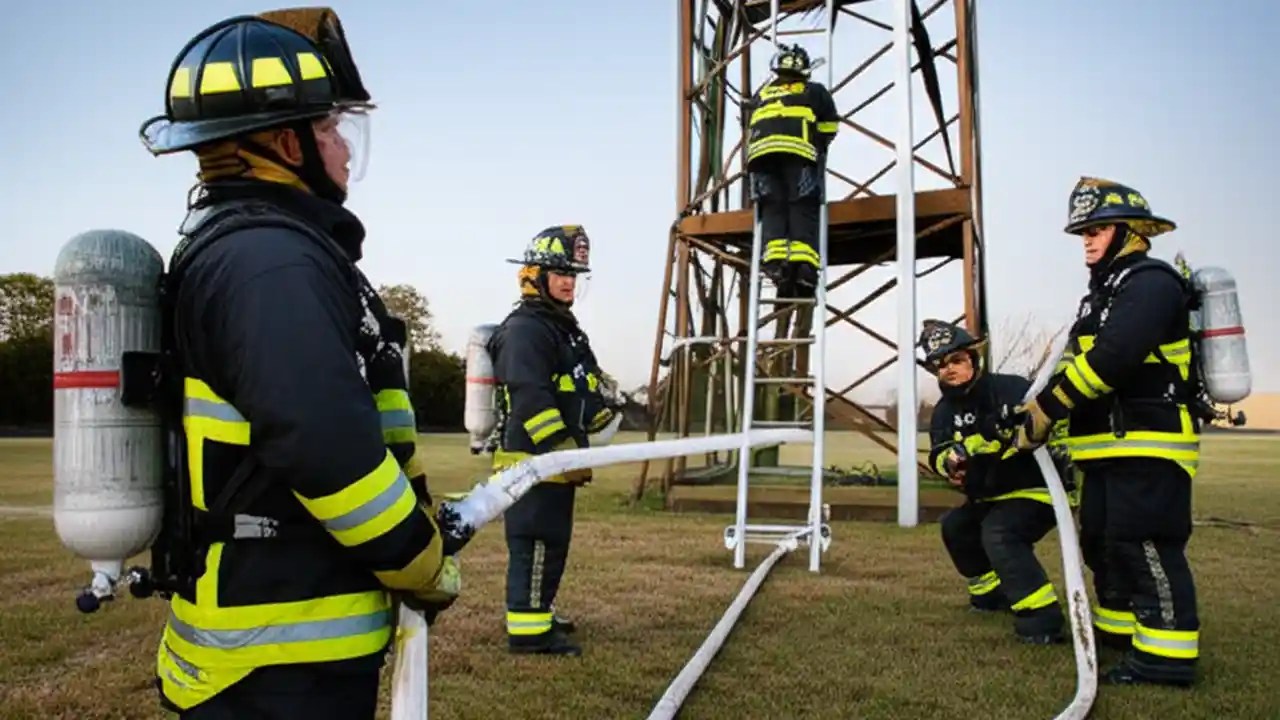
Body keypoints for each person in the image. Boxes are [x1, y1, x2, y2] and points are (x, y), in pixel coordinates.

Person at [137, 10, 466, 718]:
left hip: (278, 649)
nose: (344, 147)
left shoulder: (256, 248)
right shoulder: (270, 261)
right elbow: (321, 441)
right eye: (328, 129)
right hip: (277, 662)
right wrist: (420, 558)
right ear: (286, 145)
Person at [1015, 176, 1202, 687]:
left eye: (1099, 229)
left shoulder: (1151, 283)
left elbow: (1113, 360)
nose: (1089, 241)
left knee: (1144, 545)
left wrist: (1048, 409)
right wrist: (1030, 407)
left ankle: (1166, 658)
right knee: (1104, 545)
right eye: (1084, 233)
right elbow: (1074, 362)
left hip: (1149, 445)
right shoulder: (1102, 295)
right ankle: (1121, 635)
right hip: (1102, 450)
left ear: (1133, 232)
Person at [485, 225, 620, 657]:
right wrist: (561, 454)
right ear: (534, 275)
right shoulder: (526, 329)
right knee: (536, 540)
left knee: (553, 542)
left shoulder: (563, 328)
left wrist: (607, 413)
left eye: (574, 275)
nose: (568, 282)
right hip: (534, 461)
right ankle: (529, 632)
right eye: (559, 272)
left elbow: (582, 387)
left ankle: (539, 608)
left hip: (558, 462)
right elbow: (530, 397)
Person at [921, 319, 1070, 645]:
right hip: (988, 496)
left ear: (974, 359)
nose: (949, 370)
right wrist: (950, 463)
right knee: (956, 527)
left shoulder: (1012, 389)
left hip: (1036, 490)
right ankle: (991, 596)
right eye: (940, 365)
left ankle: (1041, 620)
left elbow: (1043, 426)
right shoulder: (943, 412)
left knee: (999, 533)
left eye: (956, 360)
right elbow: (938, 454)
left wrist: (1005, 431)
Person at [744, 43, 840, 299]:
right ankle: (804, 269)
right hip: (798, 156)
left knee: (772, 206)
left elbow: (748, 120)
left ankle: (775, 264)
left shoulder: (763, 93)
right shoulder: (815, 91)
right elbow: (830, 126)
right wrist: (817, 147)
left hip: (761, 158)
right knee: (802, 205)